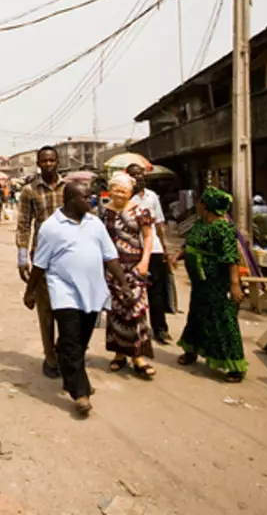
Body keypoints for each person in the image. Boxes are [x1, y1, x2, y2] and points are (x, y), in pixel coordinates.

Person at [23, 181, 129, 416]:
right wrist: (30, 291)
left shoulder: (95, 223)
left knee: (80, 339)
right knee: (71, 339)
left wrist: (123, 283)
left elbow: (110, 256)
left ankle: (67, 369)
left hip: (92, 292)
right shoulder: (51, 227)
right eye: (85, 197)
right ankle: (80, 392)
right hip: (64, 291)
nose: (90, 201)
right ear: (71, 201)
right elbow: (40, 264)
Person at [175, 187, 247, 382]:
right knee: (197, 315)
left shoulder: (223, 228)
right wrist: (178, 256)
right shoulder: (200, 224)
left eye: (200, 202)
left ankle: (234, 365)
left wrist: (234, 284)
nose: (197, 205)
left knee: (223, 320)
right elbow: (192, 244)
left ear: (206, 207)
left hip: (218, 283)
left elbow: (231, 258)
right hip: (200, 283)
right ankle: (191, 350)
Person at [16, 145, 68, 379]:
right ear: (38, 163)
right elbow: (24, 224)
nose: (48, 164)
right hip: (41, 258)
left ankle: (64, 352)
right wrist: (21, 256)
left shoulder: (69, 188)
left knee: (67, 310)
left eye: (51, 160)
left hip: (68, 257)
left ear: (58, 162)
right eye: (44, 161)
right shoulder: (29, 191)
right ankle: (50, 358)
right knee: (46, 311)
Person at [101, 171, 155, 378]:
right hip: (112, 268)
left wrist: (145, 261)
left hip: (134, 267)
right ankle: (118, 354)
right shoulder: (104, 212)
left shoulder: (140, 211)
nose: (120, 194)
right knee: (116, 311)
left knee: (135, 309)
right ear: (111, 190)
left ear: (130, 191)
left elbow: (148, 238)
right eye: (116, 190)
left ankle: (138, 356)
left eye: (124, 190)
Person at [127, 163, 173, 344]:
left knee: (157, 291)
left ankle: (160, 329)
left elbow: (159, 224)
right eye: (133, 175)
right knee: (133, 291)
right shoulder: (124, 199)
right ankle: (136, 329)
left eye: (140, 175)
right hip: (132, 249)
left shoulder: (152, 197)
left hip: (153, 248)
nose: (138, 178)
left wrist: (165, 248)